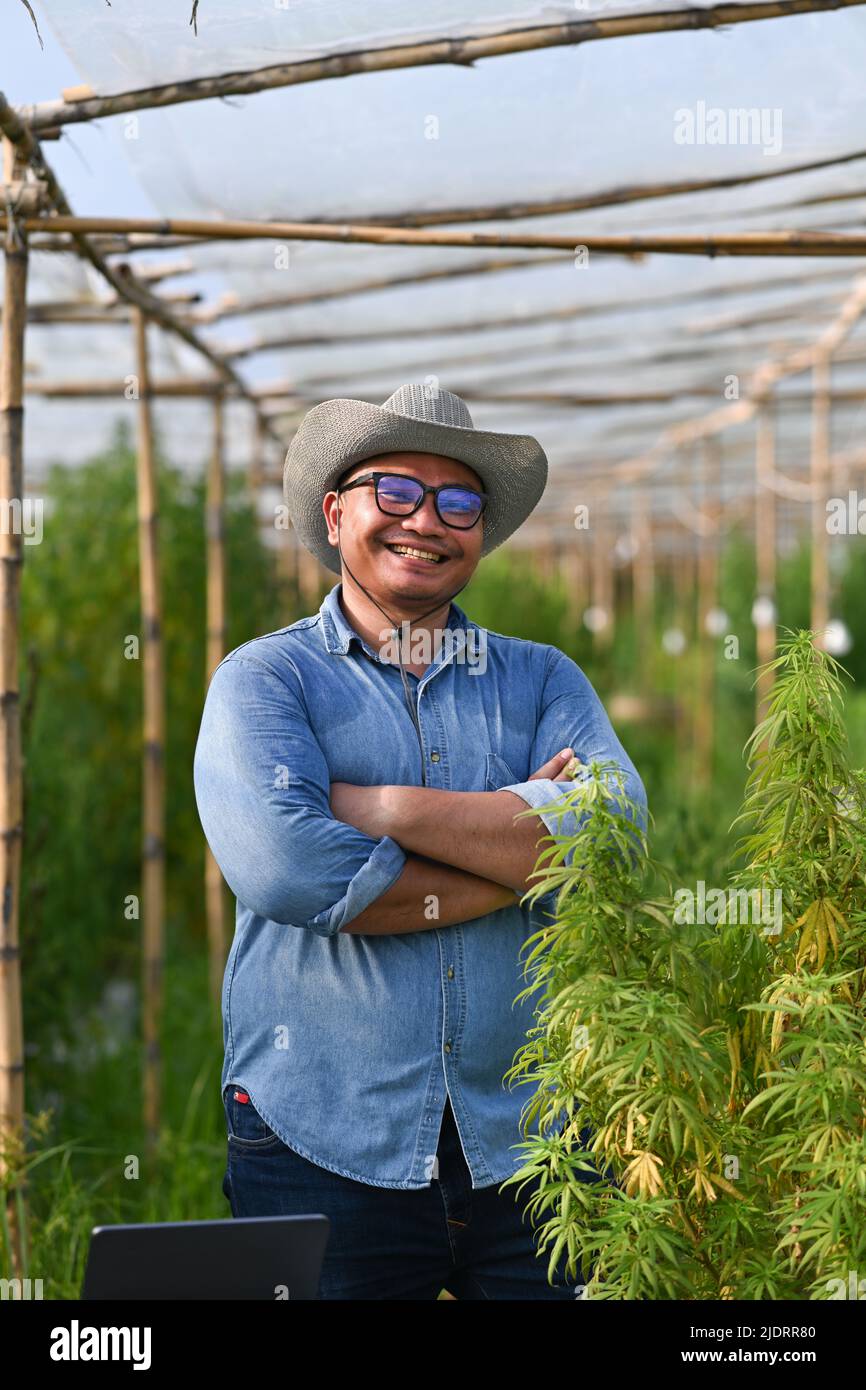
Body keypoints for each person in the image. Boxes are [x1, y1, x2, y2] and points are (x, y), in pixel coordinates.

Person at [193, 382, 646, 1299]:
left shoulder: (542, 678)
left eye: (459, 502)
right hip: (318, 1132)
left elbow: (613, 840)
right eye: (395, 491)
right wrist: (519, 850)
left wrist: (386, 808)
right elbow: (291, 870)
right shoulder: (266, 682)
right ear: (337, 511)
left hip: (533, 1141)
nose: (427, 522)